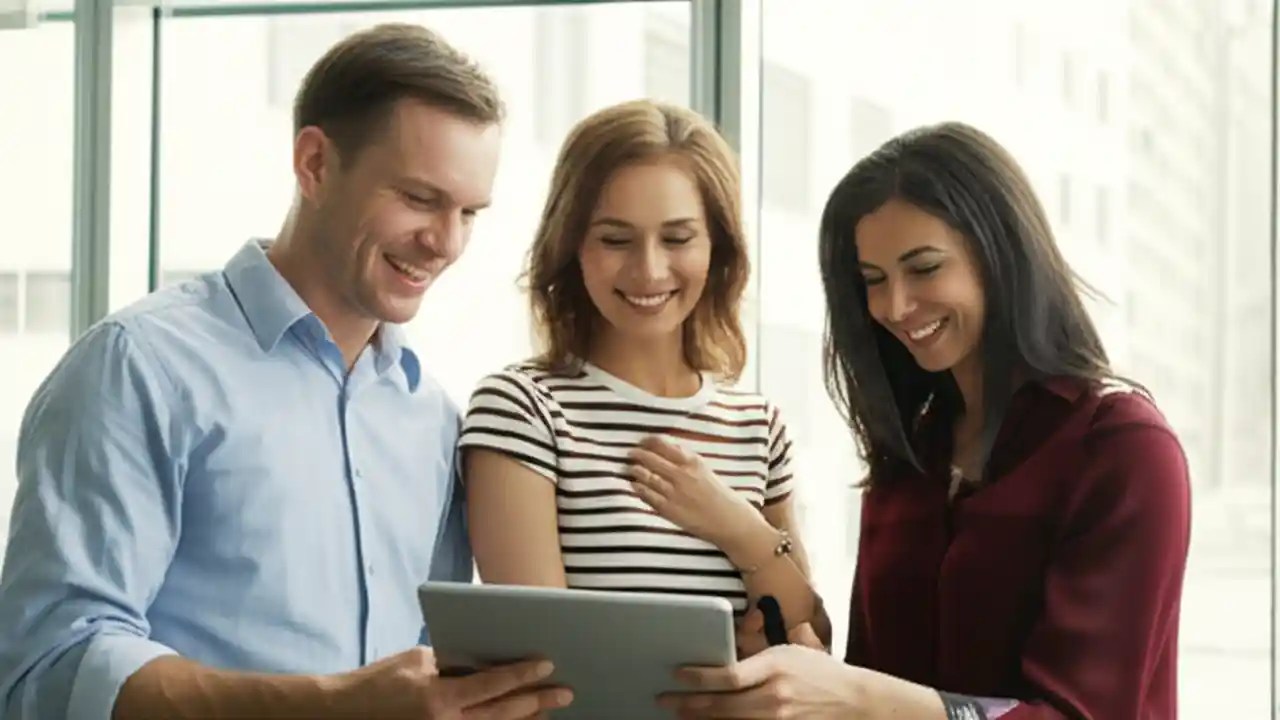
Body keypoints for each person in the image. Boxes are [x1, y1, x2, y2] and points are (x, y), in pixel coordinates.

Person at [0, 23, 571, 720]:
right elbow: (53, 669)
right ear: (314, 164)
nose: (445, 243)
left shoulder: (431, 418)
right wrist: (330, 705)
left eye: (468, 213)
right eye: (419, 199)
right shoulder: (139, 367)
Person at [661, 121, 1192, 718]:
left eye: (925, 268)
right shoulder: (908, 456)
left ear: (1000, 255)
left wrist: (853, 695)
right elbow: (877, 686)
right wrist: (795, 673)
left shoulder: (1122, 449)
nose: (894, 306)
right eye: (873, 281)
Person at [457, 99, 830, 651]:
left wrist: (734, 524)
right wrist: (723, 662)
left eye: (677, 239)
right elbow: (546, 659)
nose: (649, 270)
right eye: (615, 239)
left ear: (717, 248)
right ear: (572, 245)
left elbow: (809, 643)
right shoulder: (523, 408)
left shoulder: (759, 426)